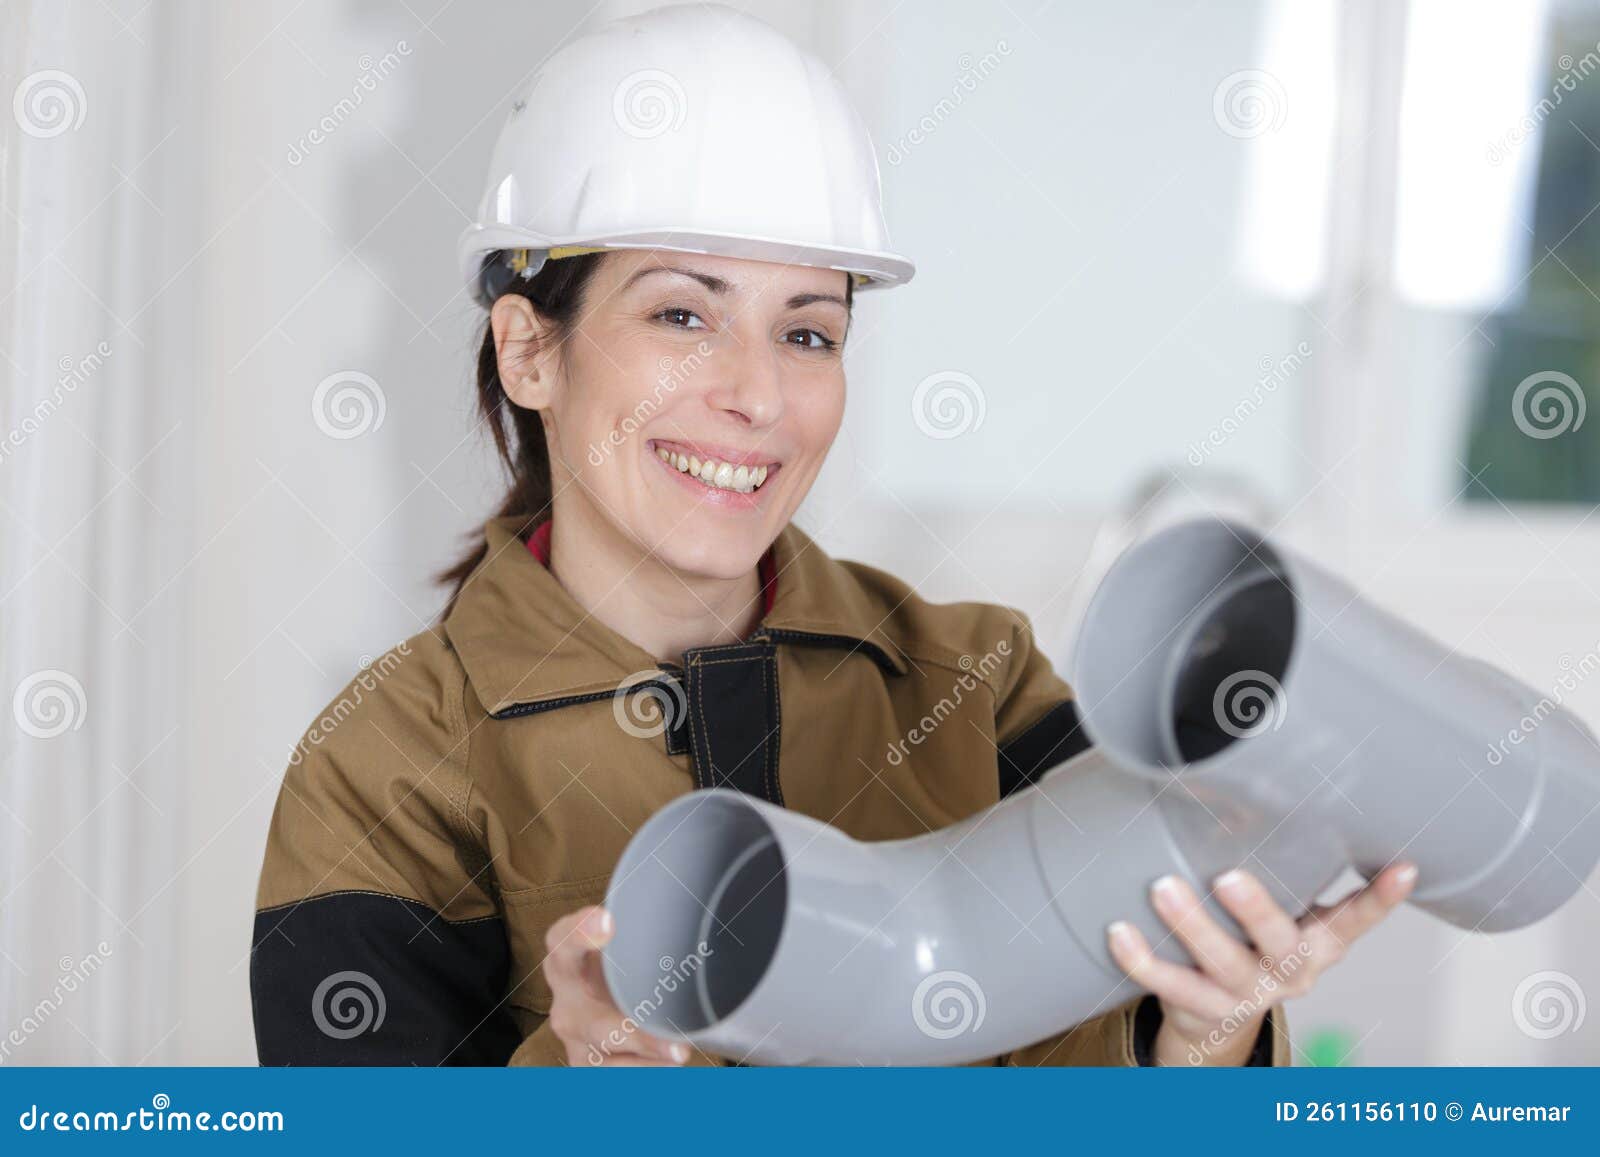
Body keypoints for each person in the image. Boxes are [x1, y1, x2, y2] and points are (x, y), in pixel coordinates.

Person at [250, 2, 1414, 1067]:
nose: (757, 394)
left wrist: (1210, 1031)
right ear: (529, 349)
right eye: (681, 313)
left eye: (808, 333)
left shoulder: (980, 687)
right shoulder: (387, 769)